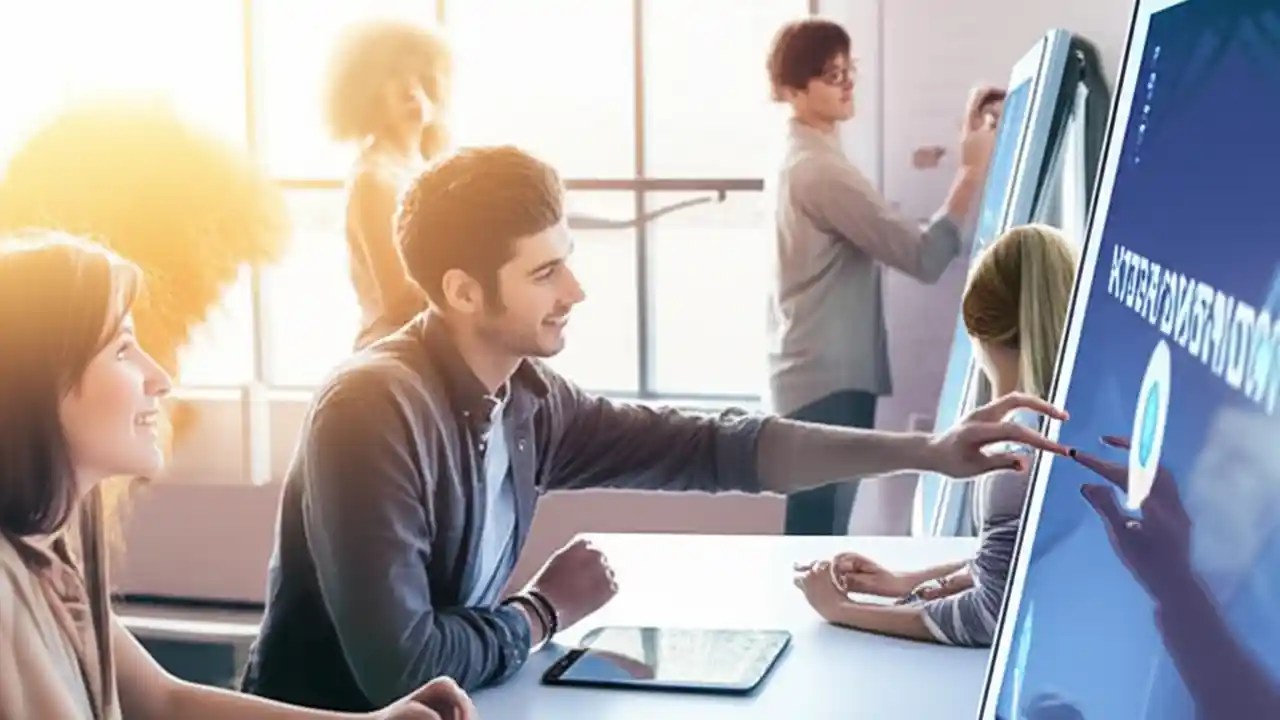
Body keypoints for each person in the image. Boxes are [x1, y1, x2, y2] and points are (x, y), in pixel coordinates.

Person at [239, 145, 1071, 711]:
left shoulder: (529, 401)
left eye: (567, 257)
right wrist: (540, 612)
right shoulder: (372, 410)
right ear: (461, 292)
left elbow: (719, 449)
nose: (575, 289)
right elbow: (403, 668)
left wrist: (928, 453)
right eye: (544, 271)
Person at [0, 231, 477, 720]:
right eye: (123, 350)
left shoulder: (52, 554)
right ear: (38, 380)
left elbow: (165, 702)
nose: (158, 376)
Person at [765, 18, 1006, 535]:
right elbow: (923, 258)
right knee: (817, 537)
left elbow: (890, 233)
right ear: (792, 90)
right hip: (828, 380)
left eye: (848, 69)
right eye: (831, 75)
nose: (848, 83)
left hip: (817, 371)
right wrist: (970, 171)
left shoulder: (809, 155)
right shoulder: (819, 170)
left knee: (815, 530)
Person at [794, 224, 1078, 647]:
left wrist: (844, 611)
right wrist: (898, 583)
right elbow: (1004, 563)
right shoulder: (1066, 426)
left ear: (977, 326)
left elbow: (988, 615)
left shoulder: (1018, 461)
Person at [326, 19, 452, 350]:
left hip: (428, 348)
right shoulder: (375, 179)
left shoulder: (427, 164)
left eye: (420, 76)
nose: (411, 89)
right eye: (395, 76)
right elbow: (398, 301)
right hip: (392, 356)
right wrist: (482, 297)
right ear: (366, 91)